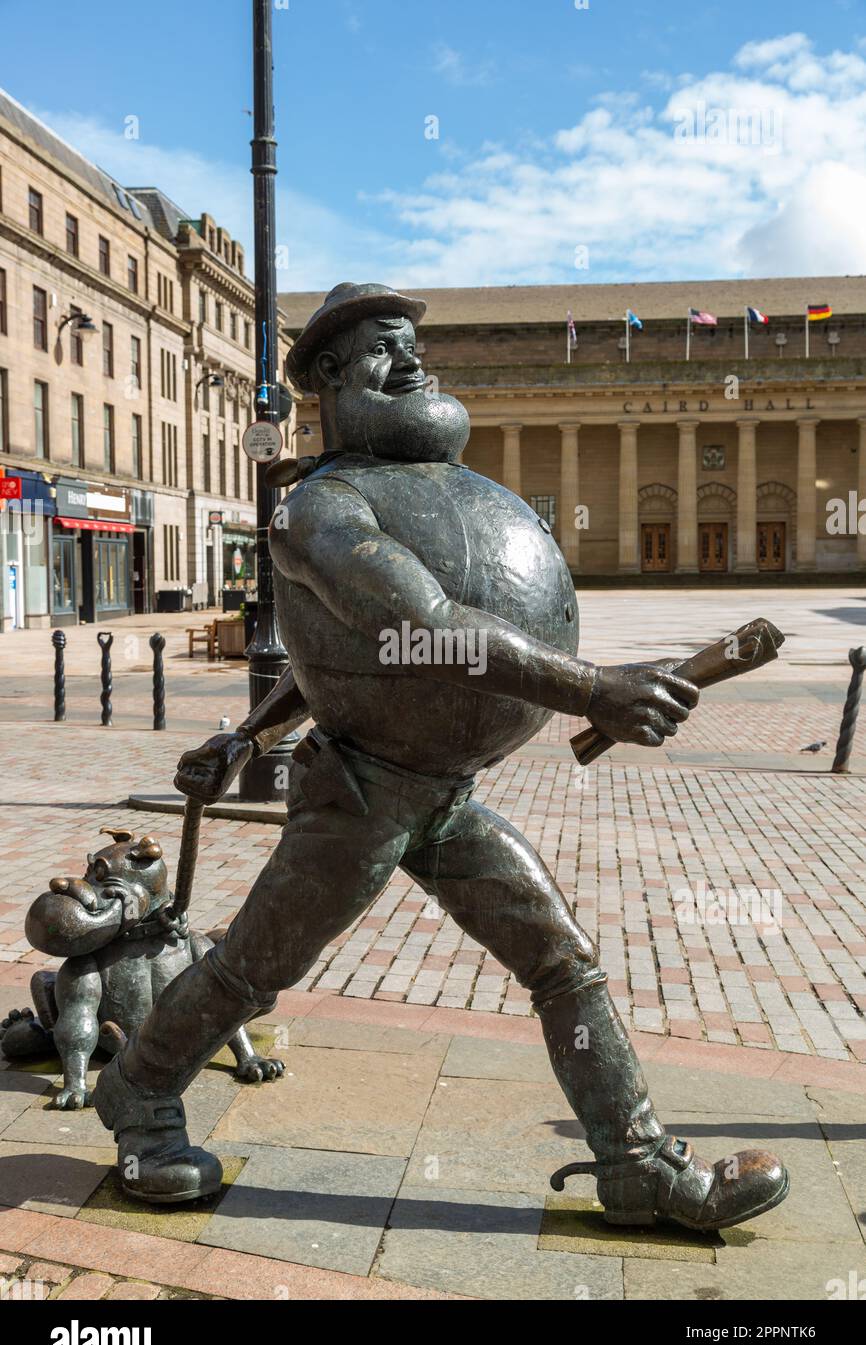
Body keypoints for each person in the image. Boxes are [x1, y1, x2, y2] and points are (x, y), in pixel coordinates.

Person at [94, 283, 788, 1228]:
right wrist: (593, 690)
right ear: (331, 377)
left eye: (415, 343)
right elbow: (418, 625)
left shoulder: (395, 491)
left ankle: (638, 1165)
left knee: (561, 960)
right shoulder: (319, 511)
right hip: (364, 790)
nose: (415, 361)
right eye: (386, 347)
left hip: (441, 790)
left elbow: (326, 653)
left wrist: (248, 732)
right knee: (254, 966)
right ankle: (138, 1090)